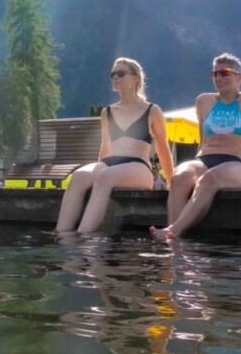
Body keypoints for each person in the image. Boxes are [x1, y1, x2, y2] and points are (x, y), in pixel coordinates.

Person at [150, 53, 241, 240]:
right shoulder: (203, 101)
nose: (218, 77)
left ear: (239, 76)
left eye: (224, 73)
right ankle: (175, 245)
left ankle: (173, 231)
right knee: (179, 178)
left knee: (210, 178)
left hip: (235, 163)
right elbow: (202, 142)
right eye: (214, 74)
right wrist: (192, 171)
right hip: (205, 159)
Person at [55, 57, 175, 234]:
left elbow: (163, 148)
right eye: (113, 74)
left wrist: (173, 182)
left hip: (138, 167)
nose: (115, 77)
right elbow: (105, 147)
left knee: (105, 177)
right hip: (109, 163)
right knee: (79, 176)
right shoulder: (107, 112)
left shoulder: (151, 110)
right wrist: (93, 173)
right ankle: (62, 239)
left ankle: (83, 240)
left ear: (136, 79)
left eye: (121, 73)